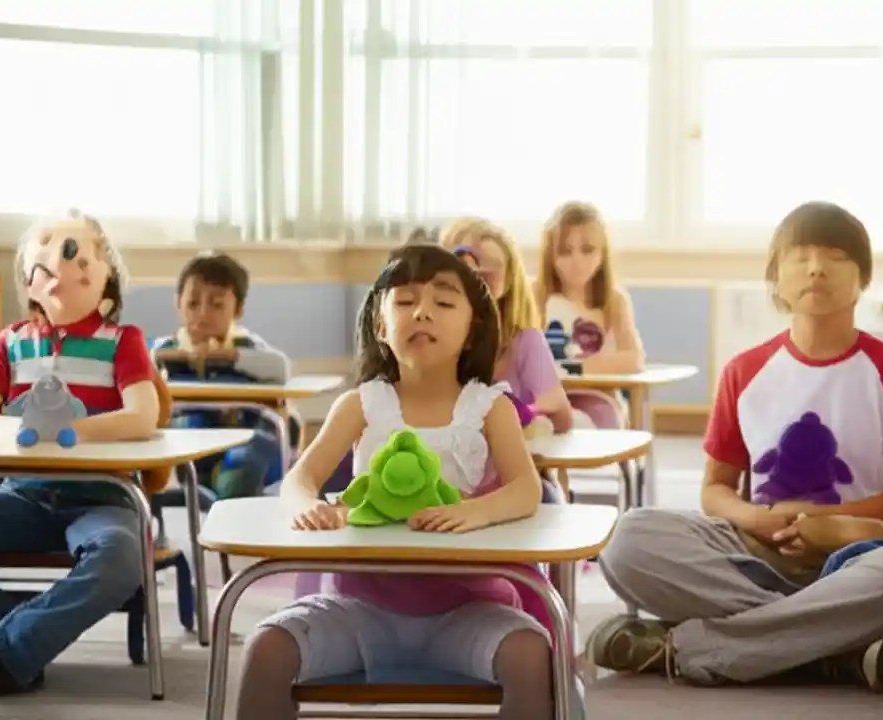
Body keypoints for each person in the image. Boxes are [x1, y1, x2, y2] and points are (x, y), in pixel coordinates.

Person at [586, 201, 883, 691]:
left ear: (863, 278)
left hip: (856, 552)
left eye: (836, 255)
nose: (816, 267)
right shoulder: (745, 370)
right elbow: (715, 489)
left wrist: (837, 524)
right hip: (753, 555)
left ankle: (694, 649)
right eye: (800, 255)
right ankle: (831, 647)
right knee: (626, 539)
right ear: (776, 277)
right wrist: (753, 517)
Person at [234, 245, 558, 720]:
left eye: (444, 303)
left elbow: (526, 490)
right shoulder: (361, 404)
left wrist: (470, 511)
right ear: (381, 326)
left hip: (468, 611)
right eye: (405, 301)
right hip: (361, 608)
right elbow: (298, 479)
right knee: (266, 648)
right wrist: (306, 503)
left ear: (472, 330)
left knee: (532, 656)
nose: (423, 311)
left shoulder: (490, 407)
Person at [0, 210, 162, 696]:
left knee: (123, 554)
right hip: (22, 496)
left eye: (80, 250)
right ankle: (3, 642)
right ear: (27, 277)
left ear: (107, 283)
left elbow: (143, 415)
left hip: (102, 498)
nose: (62, 256)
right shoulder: (12, 343)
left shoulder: (122, 342)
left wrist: (73, 432)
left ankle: (5, 651)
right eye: (44, 244)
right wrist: (20, 430)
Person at [151, 251, 294, 499]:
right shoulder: (166, 349)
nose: (203, 314)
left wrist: (228, 355)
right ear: (178, 304)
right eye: (193, 304)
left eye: (217, 305)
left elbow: (280, 368)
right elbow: (142, 373)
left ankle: (227, 500)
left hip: (239, 441)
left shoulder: (246, 346)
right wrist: (181, 357)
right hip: (187, 442)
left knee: (252, 453)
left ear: (237, 309)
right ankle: (195, 492)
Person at [440, 217, 573, 432]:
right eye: (468, 265)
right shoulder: (434, 338)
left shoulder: (525, 340)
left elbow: (561, 414)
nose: (481, 274)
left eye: (493, 266)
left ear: (509, 278)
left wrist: (521, 413)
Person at [534, 201, 645, 375]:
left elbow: (634, 359)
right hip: (548, 398)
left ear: (602, 254)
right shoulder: (536, 296)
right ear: (550, 256)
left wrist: (574, 368)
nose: (577, 261)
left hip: (599, 396)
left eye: (587, 250)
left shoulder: (614, 299)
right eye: (565, 251)